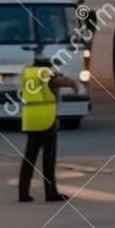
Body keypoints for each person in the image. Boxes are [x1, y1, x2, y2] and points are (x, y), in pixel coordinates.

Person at [18, 63, 76, 203]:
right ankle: (51, 193)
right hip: (46, 120)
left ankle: (23, 193)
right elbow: (60, 81)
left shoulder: (28, 73)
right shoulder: (45, 74)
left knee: (29, 158)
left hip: (31, 119)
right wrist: (74, 84)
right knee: (49, 159)